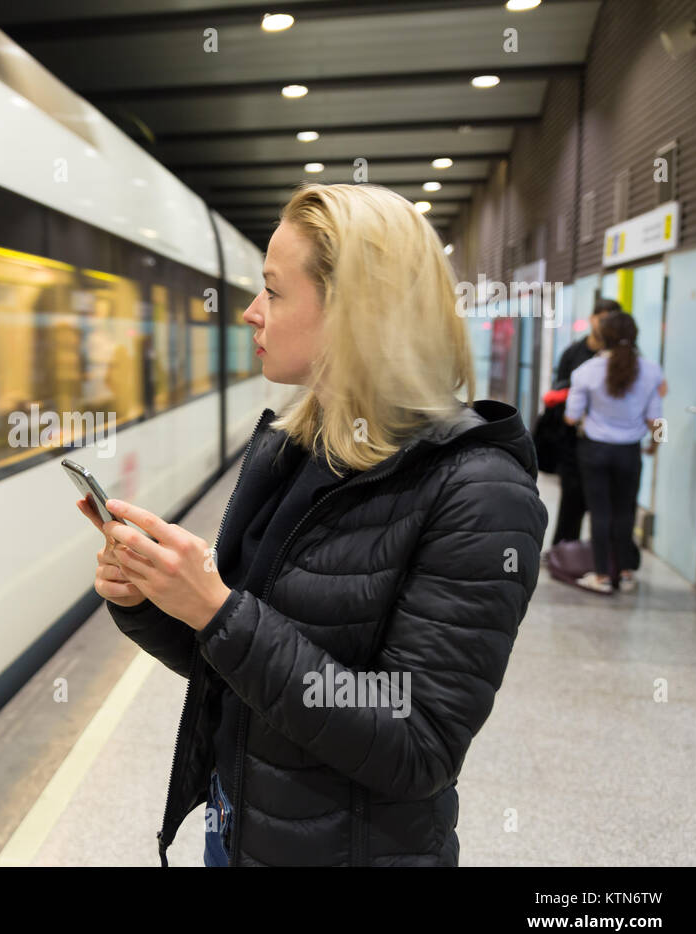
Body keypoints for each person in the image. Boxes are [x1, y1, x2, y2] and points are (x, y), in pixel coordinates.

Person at [76, 182, 548, 867]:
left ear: (354, 311)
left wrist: (218, 611)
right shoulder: (299, 451)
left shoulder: (479, 493)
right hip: (242, 833)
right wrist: (154, 600)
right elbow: (236, 667)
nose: (250, 313)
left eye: (273, 291)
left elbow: (419, 748)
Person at [563, 310, 665, 595]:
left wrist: (587, 418)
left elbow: (571, 417)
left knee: (599, 512)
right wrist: (656, 447)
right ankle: (625, 571)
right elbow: (657, 419)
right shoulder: (651, 371)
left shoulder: (585, 372)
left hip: (594, 450)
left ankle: (602, 575)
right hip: (629, 451)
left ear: (601, 338)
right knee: (625, 511)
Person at [547, 299, 618, 545]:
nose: (604, 324)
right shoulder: (573, 354)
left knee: (607, 505)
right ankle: (563, 550)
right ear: (592, 318)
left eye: (611, 319)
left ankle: (604, 562)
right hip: (574, 440)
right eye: (601, 317)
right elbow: (559, 396)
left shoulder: (626, 359)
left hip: (612, 444)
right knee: (572, 499)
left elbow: (654, 409)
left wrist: (656, 441)